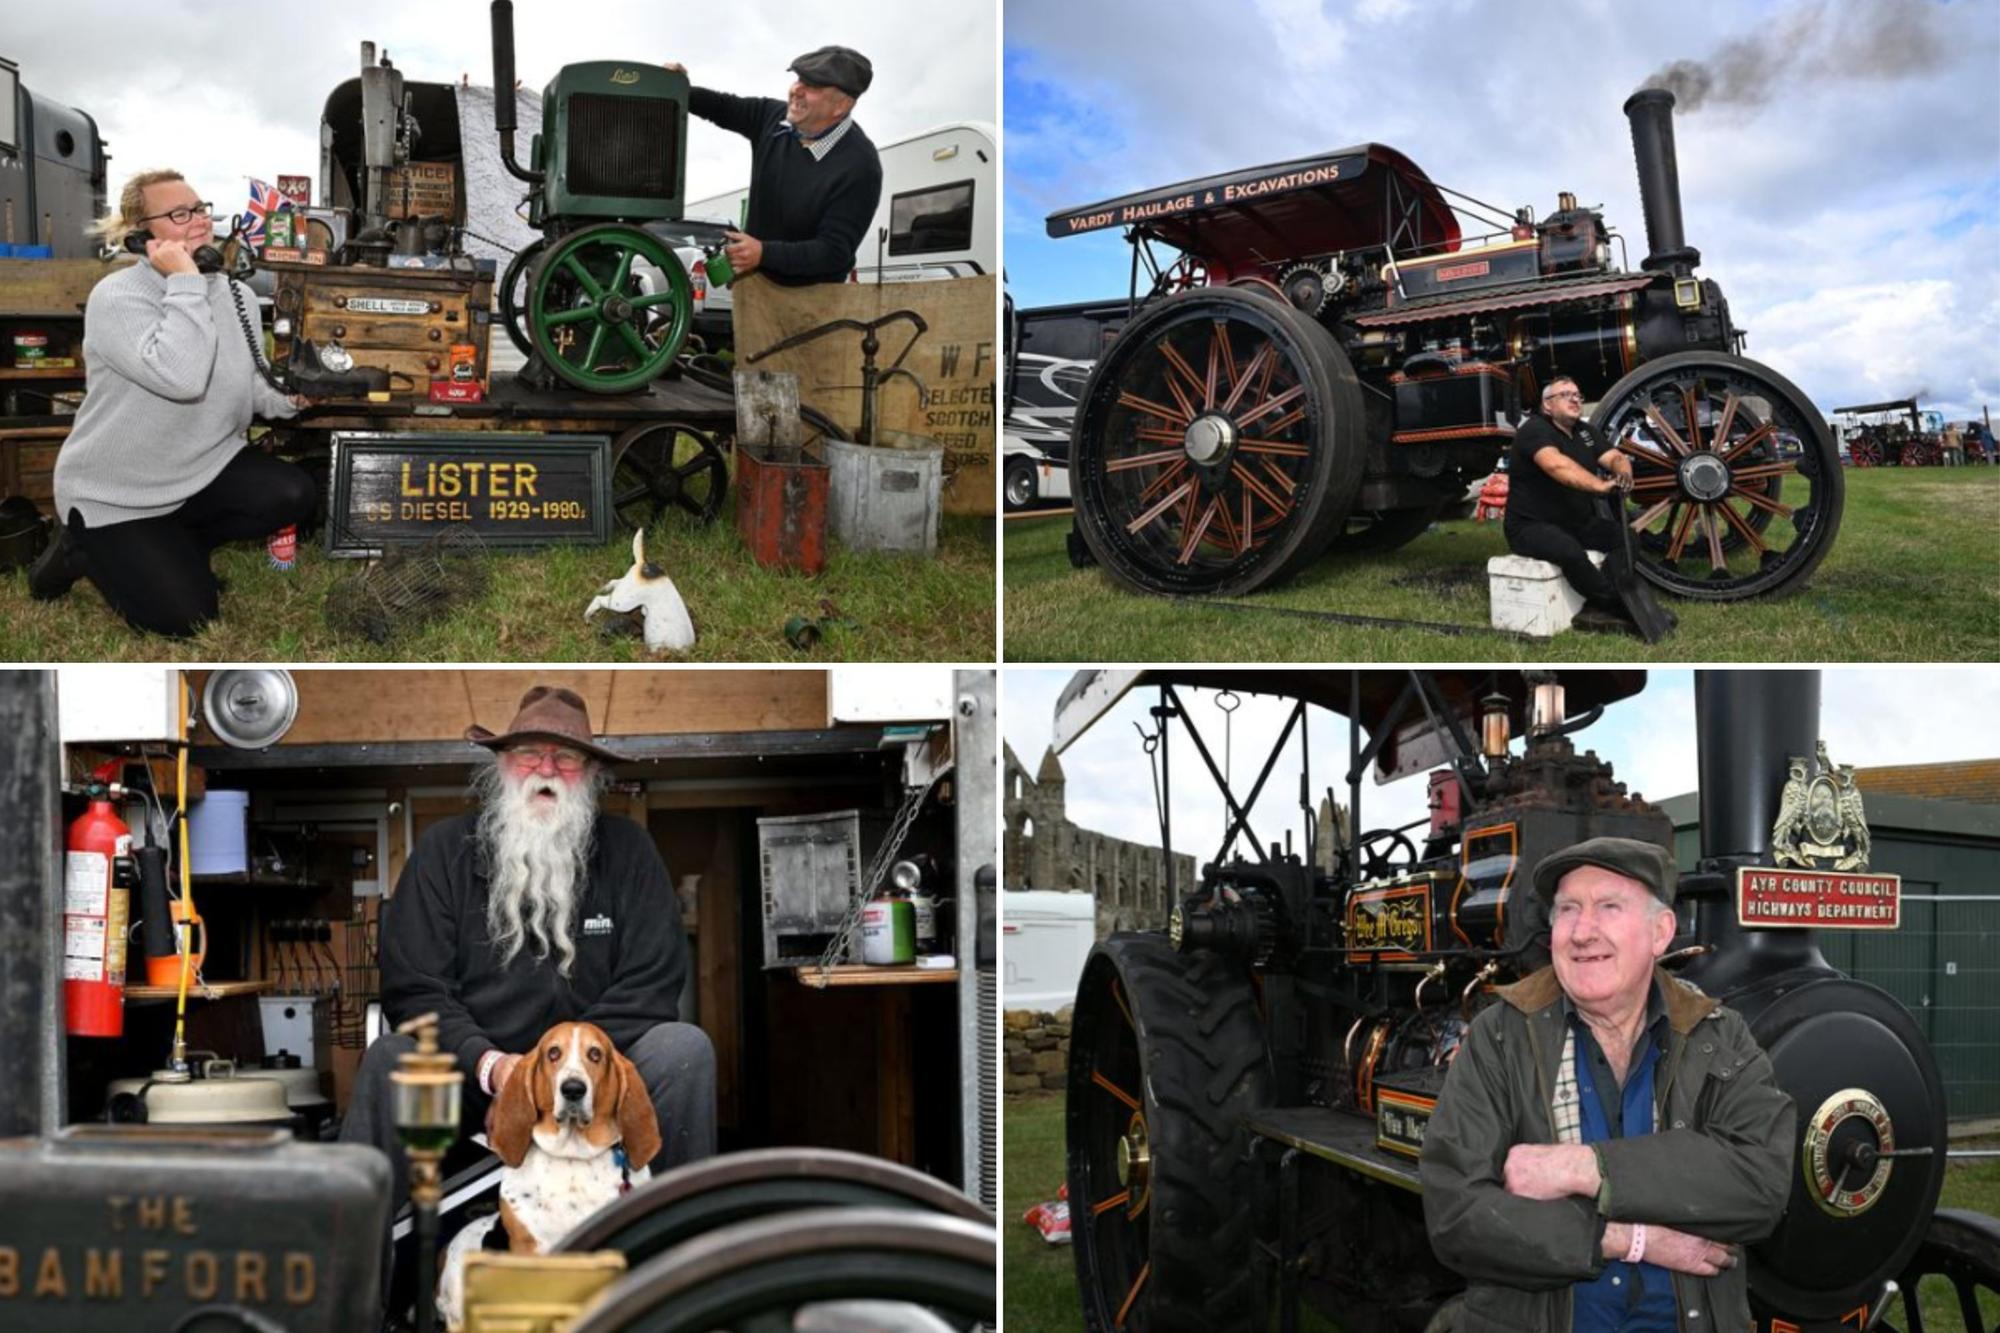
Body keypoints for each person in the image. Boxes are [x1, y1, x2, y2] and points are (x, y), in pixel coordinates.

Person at [341, 685, 717, 1226]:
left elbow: (654, 982)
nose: (546, 770)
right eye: (528, 755)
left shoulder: (628, 851)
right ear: (502, 765)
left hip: (595, 1076)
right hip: (473, 1078)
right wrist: (494, 1068)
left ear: (590, 774)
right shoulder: (444, 853)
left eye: (565, 758)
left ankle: (680, 1275)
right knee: (389, 1062)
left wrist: (566, 1063)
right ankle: (357, 1295)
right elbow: (415, 989)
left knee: (684, 1049)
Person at [1420, 837, 1793, 1331]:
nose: (1582, 932)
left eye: (1609, 907)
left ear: (1661, 933)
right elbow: (1457, 1217)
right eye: (1568, 910)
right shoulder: (1500, 1036)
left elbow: (1761, 1184)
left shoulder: (1717, 1035)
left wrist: (1585, 1168)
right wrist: (1629, 1239)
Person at [30, 169, 318, 637]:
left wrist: (297, 397)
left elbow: (249, 385)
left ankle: (175, 546)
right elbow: (181, 378)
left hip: (199, 471)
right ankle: (78, 548)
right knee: (188, 622)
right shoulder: (117, 297)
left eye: (200, 208)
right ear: (141, 234)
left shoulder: (236, 293)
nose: (200, 221)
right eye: (180, 214)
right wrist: (185, 283)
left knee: (293, 494)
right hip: (118, 494)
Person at [667, 46, 883, 286]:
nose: (797, 90)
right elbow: (723, 107)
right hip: (755, 284)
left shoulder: (861, 166)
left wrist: (764, 253)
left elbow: (834, 251)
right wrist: (680, 89)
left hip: (816, 298)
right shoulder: (771, 116)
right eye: (799, 79)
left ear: (841, 106)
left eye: (813, 86)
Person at [1504, 377, 1637, 626]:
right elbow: (1555, 465)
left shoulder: (1586, 433)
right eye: (1565, 394)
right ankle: (1609, 605)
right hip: (1530, 526)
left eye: (1578, 394)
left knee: (1625, 538)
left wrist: (1623, 473)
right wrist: (1599, 485)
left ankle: (1607, 596)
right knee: (1569, 551)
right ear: (1547, 405)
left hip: (1575, 523)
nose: (1575, 399)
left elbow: (1616, 457)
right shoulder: (1534, 430)